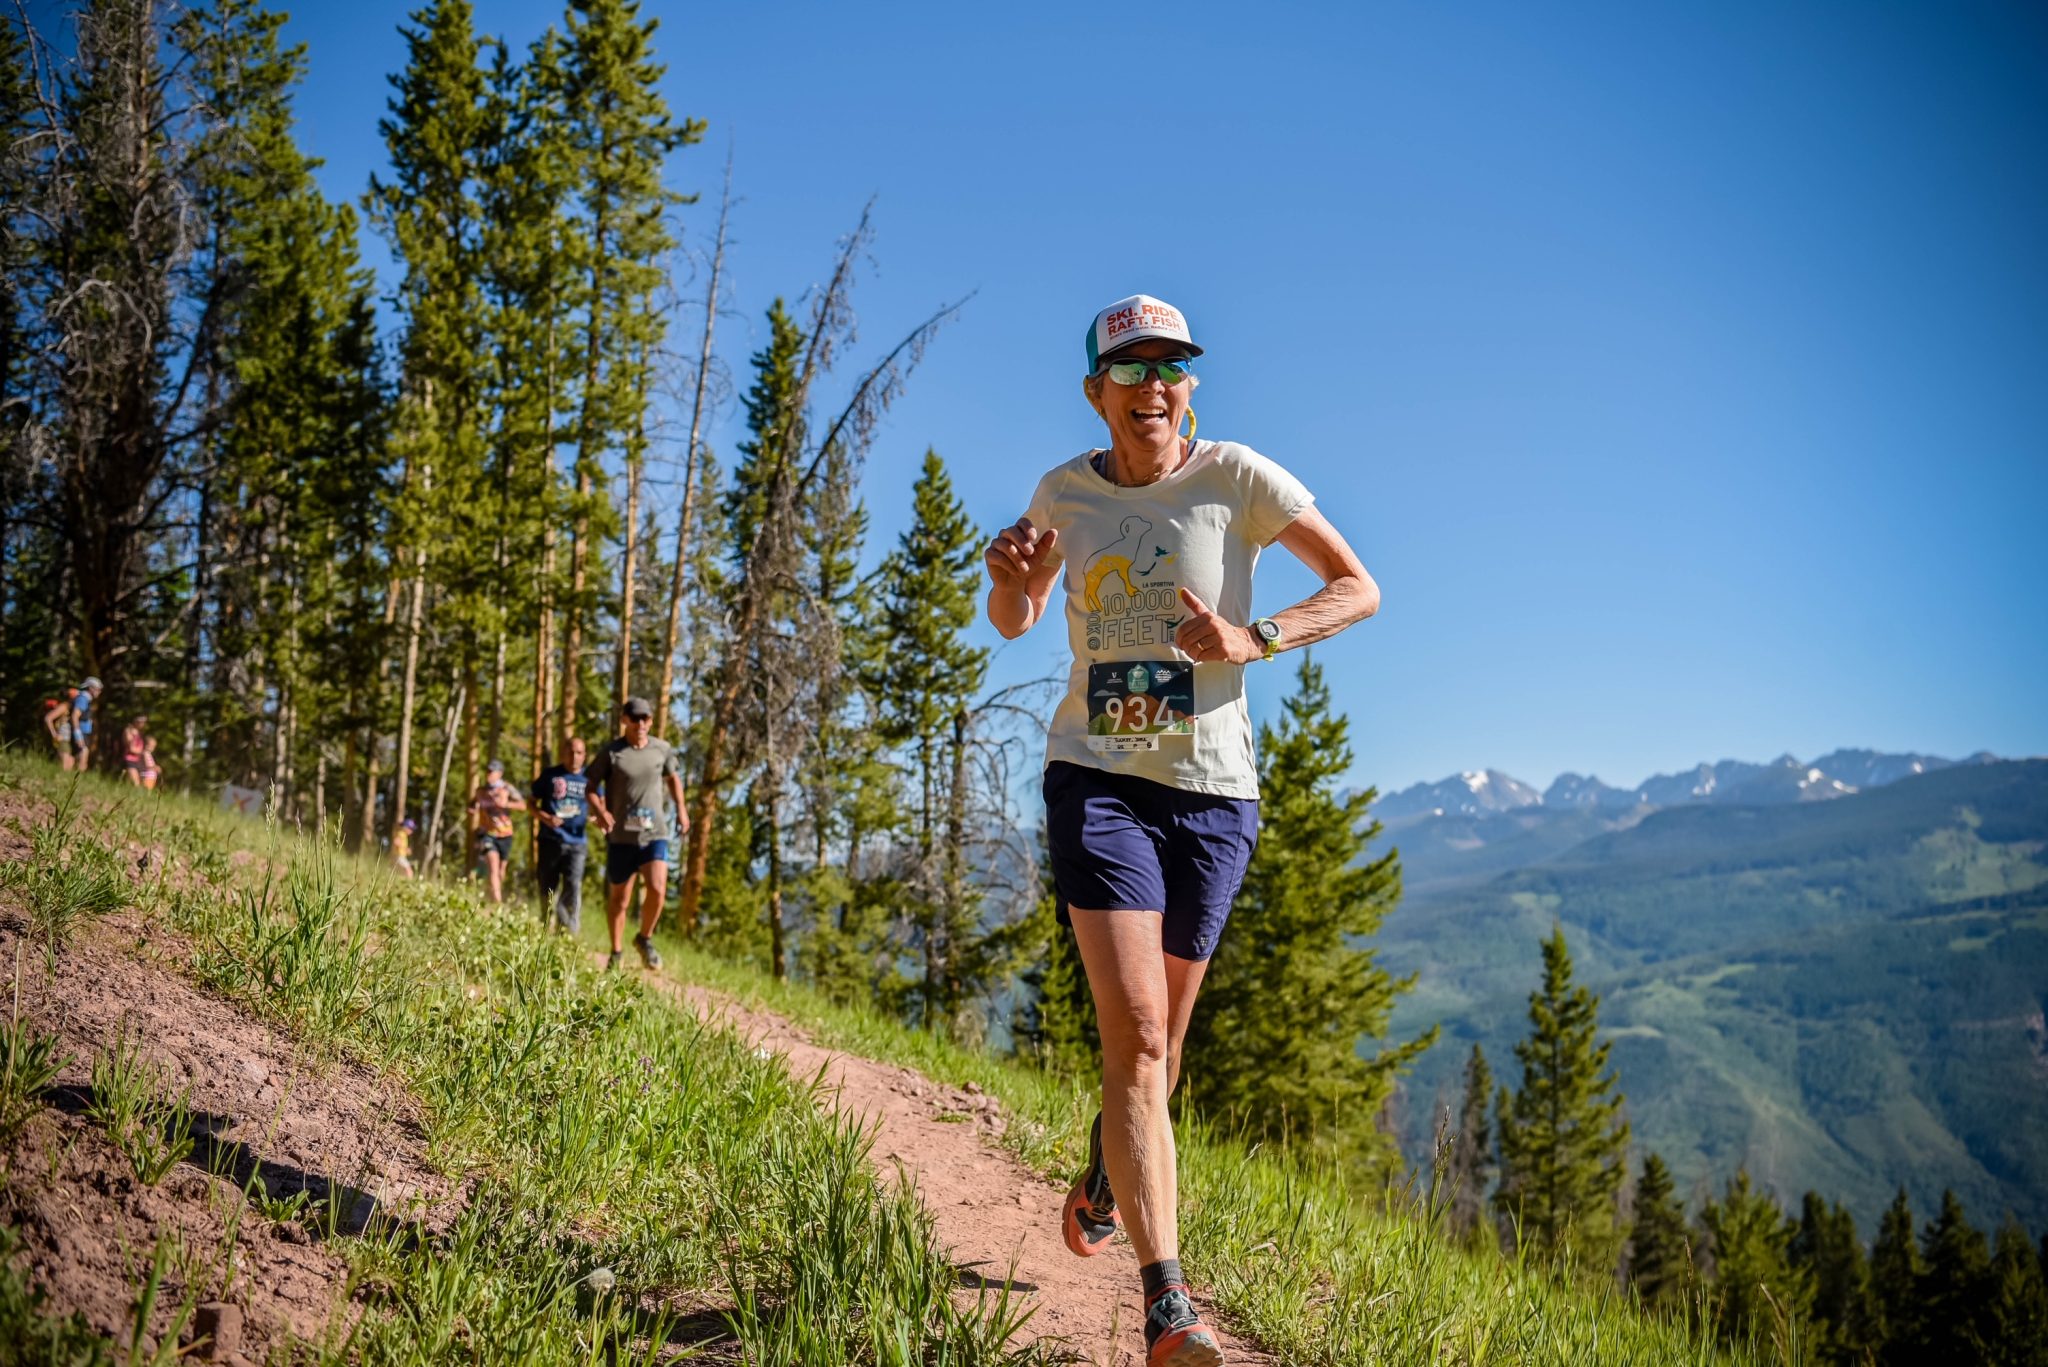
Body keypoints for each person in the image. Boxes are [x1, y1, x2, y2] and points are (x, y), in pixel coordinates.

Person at [984, 294, 1380, 1366]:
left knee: (1162, 1046)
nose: (1151, 385)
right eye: (1130, 368)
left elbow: (1357, 587)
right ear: (1096, 391)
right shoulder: (1063, 492)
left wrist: (1254, 636)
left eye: (1170, 367)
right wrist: (1009, 586)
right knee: (1141, 1037)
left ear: (1189, 387)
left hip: (1212, 794)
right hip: (1097, 777)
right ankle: (1167, 1302)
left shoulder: (1238, 476)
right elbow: (1018, 618)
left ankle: (1108, 1166)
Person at [584, 697, 688, 972]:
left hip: (654, 833)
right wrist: (600, 810)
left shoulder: (661, 749)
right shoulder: (612, 752)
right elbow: (590, 786)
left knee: (658, 887)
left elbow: (673, 779)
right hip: (621, 837)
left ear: (651, 721)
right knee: (620, 899)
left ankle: (644, 938)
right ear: (624, 720)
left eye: (645, 718)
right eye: (635, 718)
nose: (640, 723)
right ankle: (616, 952)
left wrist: (681, 809)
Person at [530, 737, 590, 936]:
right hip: (550, 840)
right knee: (547, 885)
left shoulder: (590, 779)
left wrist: (599, 817)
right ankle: (545, 923)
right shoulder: (550, 775)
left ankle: (567, 932)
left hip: (577, 843)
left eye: (579, 753)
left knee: (573, 885)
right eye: (571, 752)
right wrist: (545, 818)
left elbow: (600, 804)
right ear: (563, 753)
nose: (574, 757)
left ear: (584, 755)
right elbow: (530, 803)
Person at [467, 760, 526, 905]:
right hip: (488, 834)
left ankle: (493, 892)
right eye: (487, 771)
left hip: (505, 834)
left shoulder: (506, 788)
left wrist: (506, 804)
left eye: (492, 771)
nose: (488, 774)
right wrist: (472, 809)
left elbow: (523, 805)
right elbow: (472, 803)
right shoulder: (480, 791)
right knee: (493, 866)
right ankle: (497, 903)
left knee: (500, 871)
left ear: (500, 773)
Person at [68, 677, 102, 771]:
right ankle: (79, 776)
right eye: (98, 689)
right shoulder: (83, 699)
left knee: (78, 755)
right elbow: (75, 716)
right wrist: (78, 735)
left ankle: (72, 775)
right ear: (91, 688)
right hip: (80, 732)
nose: (99, 692)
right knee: (83, 754)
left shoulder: (86, 699)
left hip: (83, 732)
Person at [42, 696, 73, 769]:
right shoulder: (64, 706)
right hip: (61, 739)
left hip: (65, 740)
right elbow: (48, 718)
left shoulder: (68, 707)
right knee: (64, 766)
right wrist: (54, 734)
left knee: (69, 764)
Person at [121, 716, 149, 787]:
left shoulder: (139, 733)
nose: (142, 724)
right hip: (130, 759)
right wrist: (142, 752)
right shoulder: (128, 731)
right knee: (135, 783)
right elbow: (131, 748)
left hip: (138, 760)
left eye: (144, 722)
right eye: (141, 722)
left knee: (136, 783)